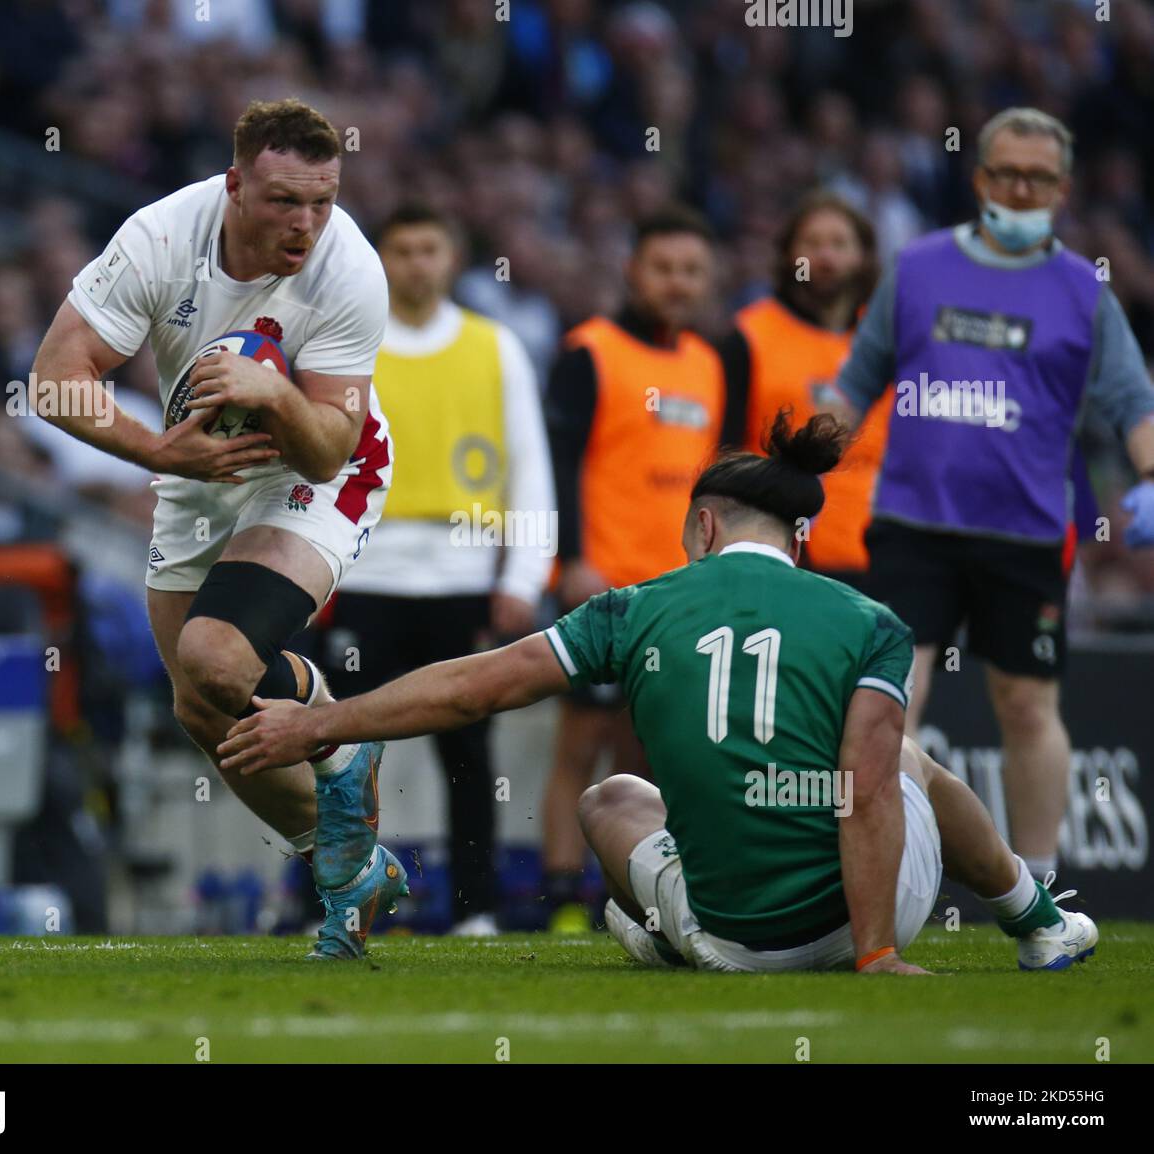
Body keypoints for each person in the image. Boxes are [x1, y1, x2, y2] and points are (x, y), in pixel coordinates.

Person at [218, 411, 1098, 973]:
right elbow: (865, 790)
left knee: (612, 797)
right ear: (796, 538)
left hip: (728, 940)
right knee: (907, 757)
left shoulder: (633, 608)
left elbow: (470, 690)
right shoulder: (868, 619)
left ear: (704, 524)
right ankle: (1038, 920)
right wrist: (874, 956)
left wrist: (323, 723)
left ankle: (671, 932)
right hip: (866, 920)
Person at [31, 98, 402, 960]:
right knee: (203, 706)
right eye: (283, 201)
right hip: (198, 467)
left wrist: (274, 392)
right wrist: (160, 450)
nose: (306, 224)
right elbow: (55, 376)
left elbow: (327, 448)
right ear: (233, 185)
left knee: (214, 656)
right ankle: (349, 861)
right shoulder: (160, 240)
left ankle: (343, 747)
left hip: (322, 470)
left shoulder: (350, 268)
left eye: (323, 200)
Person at [822, 107, 1154, 884]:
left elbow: (1134, 404)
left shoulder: (1084, 291)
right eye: (1006, 173)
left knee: (1028, 707)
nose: (1020, 187)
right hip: (912, 523)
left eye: (1038, 178)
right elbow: (853, 388)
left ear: (1062, 190)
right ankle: (879, 875)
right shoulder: (918, 267)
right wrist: (803, 454)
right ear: (979, 178)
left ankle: (1038, 887)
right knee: (892, 701)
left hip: (1028, 533)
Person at [322, 203, 555, 936]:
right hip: (367, 576)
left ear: (452, 257)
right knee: (338, 752)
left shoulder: (497, 348)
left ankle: (475, 909)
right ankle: (331, 903)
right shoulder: (352, 345)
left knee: (468, 754)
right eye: (402, 249)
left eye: (430, 248)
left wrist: (522, 581)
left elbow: (529, 471)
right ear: (381, 259)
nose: (417, 263)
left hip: (462, 580)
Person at [543, 204, 725, 931]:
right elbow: (557, 461)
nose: (676, 283)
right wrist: (571, 558)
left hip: (678, 590)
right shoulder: (588, 351)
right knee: (578, 747)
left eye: (690, 270)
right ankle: (559, 898)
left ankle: (631, 897)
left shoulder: (709, 364)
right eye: (663, 268)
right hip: (605, 588)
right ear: (632, 270)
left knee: (648, 749)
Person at [720, 191, 889, 586]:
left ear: (863, 256)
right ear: (787, 256)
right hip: (781, 558)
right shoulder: (749, 337)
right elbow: (724, 452)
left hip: (881, 553)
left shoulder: (889, 341)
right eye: (812, 244)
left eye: (839, 244)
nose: (826, 257)